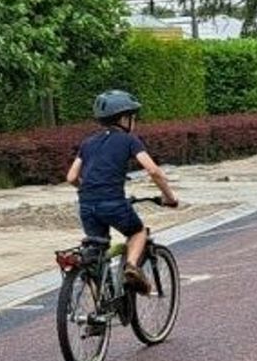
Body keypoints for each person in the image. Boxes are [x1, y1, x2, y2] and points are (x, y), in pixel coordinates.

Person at [66, 89, 178, 295]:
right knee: (138, 232)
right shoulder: (129, 140)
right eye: (132, 117)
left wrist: (90, 189)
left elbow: (72, 177)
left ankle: (99, 306)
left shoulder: (88, 143)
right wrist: (169, 198)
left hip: (86, 204)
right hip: (112, 202)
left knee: (95, 256)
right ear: (124, 118)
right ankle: (131, 267)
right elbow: (153, 171)